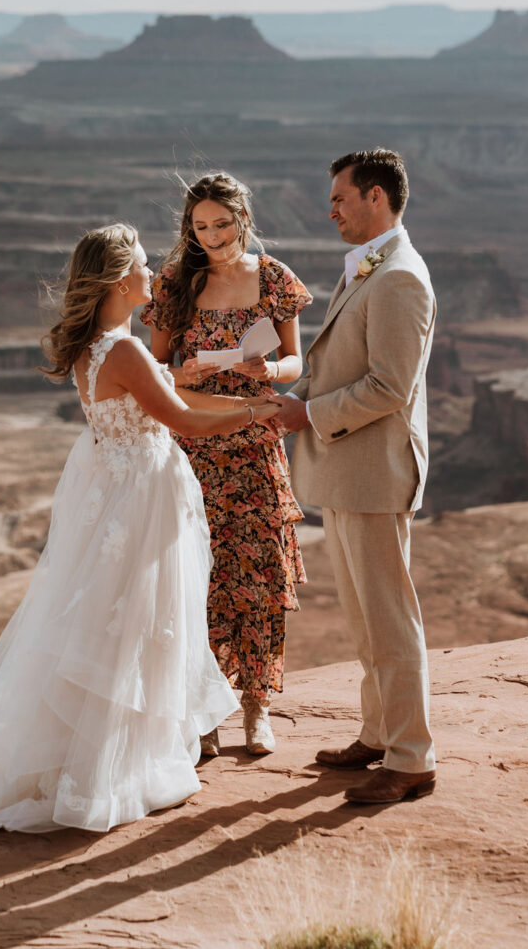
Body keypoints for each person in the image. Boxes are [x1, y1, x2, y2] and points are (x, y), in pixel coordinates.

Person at [0, 223, 280, 838]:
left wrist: (256, 400)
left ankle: (96, 752)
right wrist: (266, 416)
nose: (153, 274)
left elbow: (173, 391)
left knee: (109, 619)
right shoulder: (126, 351)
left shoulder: (98, 347)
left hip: (116, 492)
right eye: (144, 266)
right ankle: (114, 766)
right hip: (142, 497)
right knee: (138, 621)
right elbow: (183, 422)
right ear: (122, 280)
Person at [271, 149, 437, 804]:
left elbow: (390, 387)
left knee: (390, 617)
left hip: (374, 472)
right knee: (365, 617)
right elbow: (343, 364)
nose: (330, 208)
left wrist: (307, 413)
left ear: (376, 196)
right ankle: (378, 734)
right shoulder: (372, 266)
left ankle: (412, 757)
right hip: (349, 471)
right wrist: (291, 396)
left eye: (340, 197)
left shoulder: (400, 277)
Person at [141, 173, 312, 757]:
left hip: (256, 442)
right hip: (193, 446)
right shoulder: (174, 284)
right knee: (199, 576)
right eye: (199, 226)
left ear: (243, 218)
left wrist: (271, 373)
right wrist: (186, 373)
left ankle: (256, 710)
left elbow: (295, 360)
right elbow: (154, 368)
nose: (211, 236)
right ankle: (203, 715)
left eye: (220, 223)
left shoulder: (272, 277)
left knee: (258, 573)